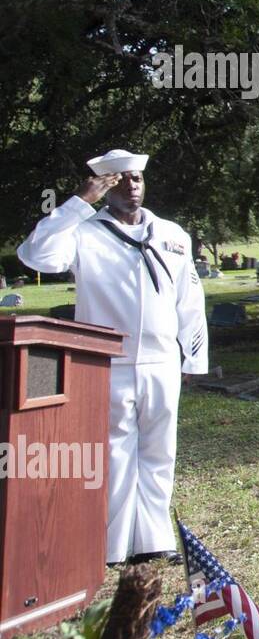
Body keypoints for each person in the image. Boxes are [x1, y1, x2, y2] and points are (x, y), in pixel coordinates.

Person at [17, 149, 208, 565]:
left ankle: (155, 540)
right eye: (120, 180)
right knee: (115, 452)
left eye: (137, 178)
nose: (132, 186)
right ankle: (114, 546)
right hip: (108, 361)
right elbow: (34, 255)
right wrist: (77, 205)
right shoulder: (84, 233)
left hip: (161, 361)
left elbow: (190, 300)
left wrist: (192, 359)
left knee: (160, 451)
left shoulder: (172, 234)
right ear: (104, 186)